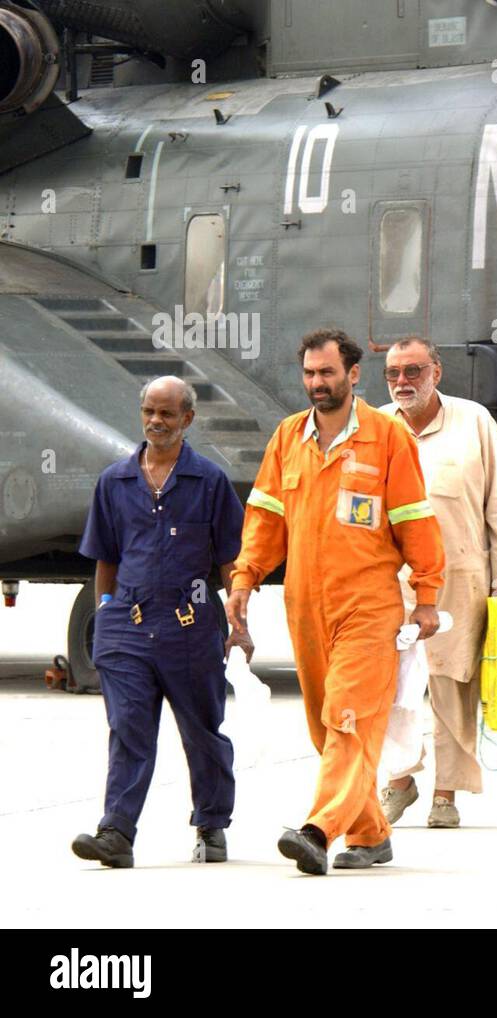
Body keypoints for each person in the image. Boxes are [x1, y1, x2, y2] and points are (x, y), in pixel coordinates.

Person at [227, 329, 446, 874]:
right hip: (305, 604)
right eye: (309, 374)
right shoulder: (287, 439)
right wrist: (243, 582)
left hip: (367, 605)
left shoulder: (385, 439)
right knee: (327, 727)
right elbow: (265, 520)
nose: (316, 384)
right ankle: (371, 833)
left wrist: (426, 595)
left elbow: (416, 522)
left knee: (350, 718)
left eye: (327, 373)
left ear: (353, 375)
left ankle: (318, 830)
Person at [72, 377, 246, 868]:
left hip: (189, 625)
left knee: (202, 731)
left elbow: (233, 557)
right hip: (127, 624)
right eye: (149, 411)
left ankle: (212, 823)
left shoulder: (209, 481)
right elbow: (105, 558)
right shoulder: (115, 481)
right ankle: (116, 833)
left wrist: (237, 613)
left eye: (167, 414)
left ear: (187, 419)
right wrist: (105, 613)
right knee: (128, 729)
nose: (155, 421)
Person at [377, 337, 497, 829]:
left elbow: (496, 502)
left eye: (413, 371)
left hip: (461, 575)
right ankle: (398, 781)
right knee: (392, 686)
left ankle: (445, 794)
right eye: (393, 373)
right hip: (391, 580)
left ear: (436, 371)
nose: (402, 382)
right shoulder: (374, 427)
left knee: (453, 683)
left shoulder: (474, 420)